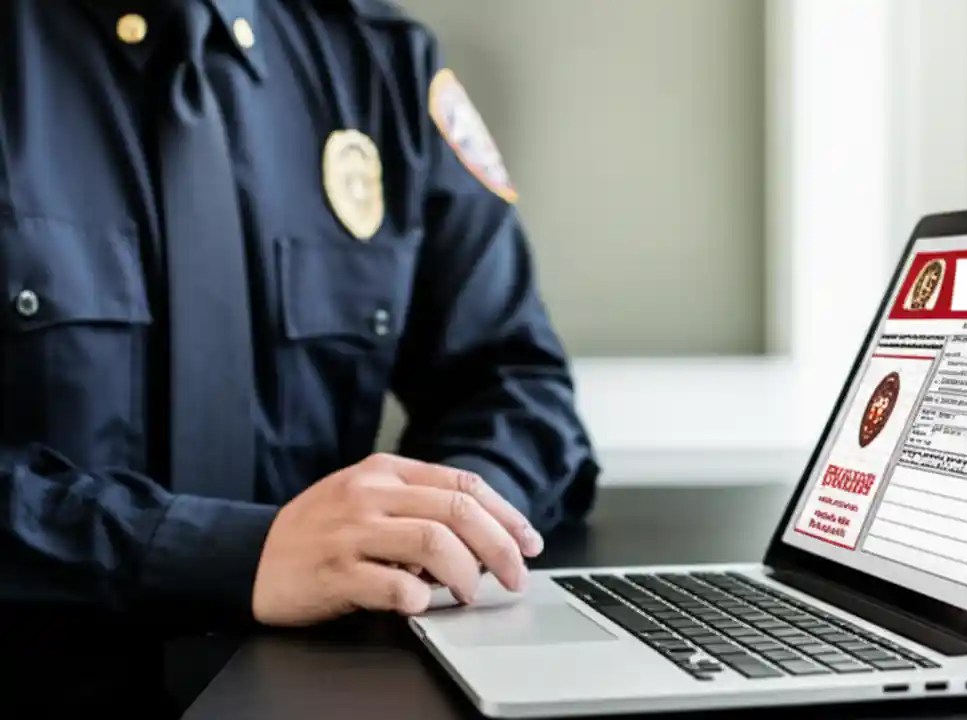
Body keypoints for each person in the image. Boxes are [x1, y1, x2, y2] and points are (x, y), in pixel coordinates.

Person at [0, 0, 599, 714]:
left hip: (338, 691)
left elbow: (516, 385)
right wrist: (230, 553)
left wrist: (445, 529)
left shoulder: (381, 66)